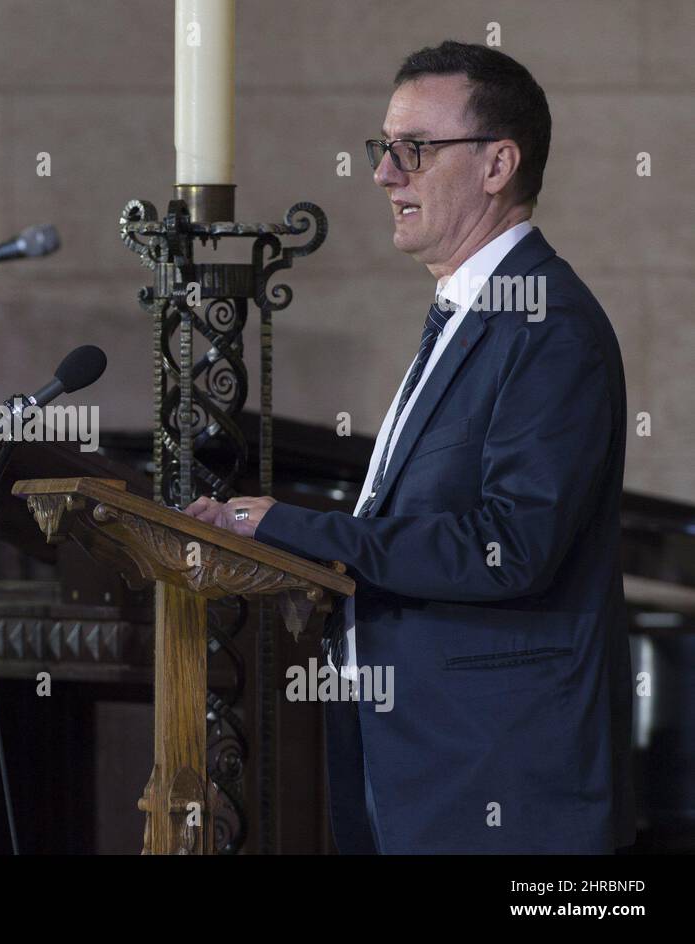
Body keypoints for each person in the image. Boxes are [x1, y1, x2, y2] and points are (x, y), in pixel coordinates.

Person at [186, 41, 634, 853]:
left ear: (498, 164)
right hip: (418, 765)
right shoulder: (474, 314)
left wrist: (296, 529)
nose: (385, 174)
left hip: (500, 784)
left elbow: (510, 546)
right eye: (382, 149)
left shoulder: (549, 326)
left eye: (414, 150)